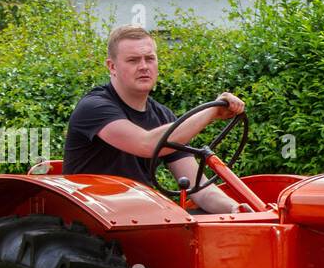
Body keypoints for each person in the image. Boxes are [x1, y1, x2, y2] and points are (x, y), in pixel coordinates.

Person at [63, 24, 245, 213]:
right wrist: (211, 111)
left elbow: (200, 190)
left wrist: (235, 209)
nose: (143, 66)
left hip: (140, 214)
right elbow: (146, 144)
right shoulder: (94, 107)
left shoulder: (163, 116)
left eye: (149, 59)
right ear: (112, 66)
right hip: (91, 218)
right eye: (133, 60)